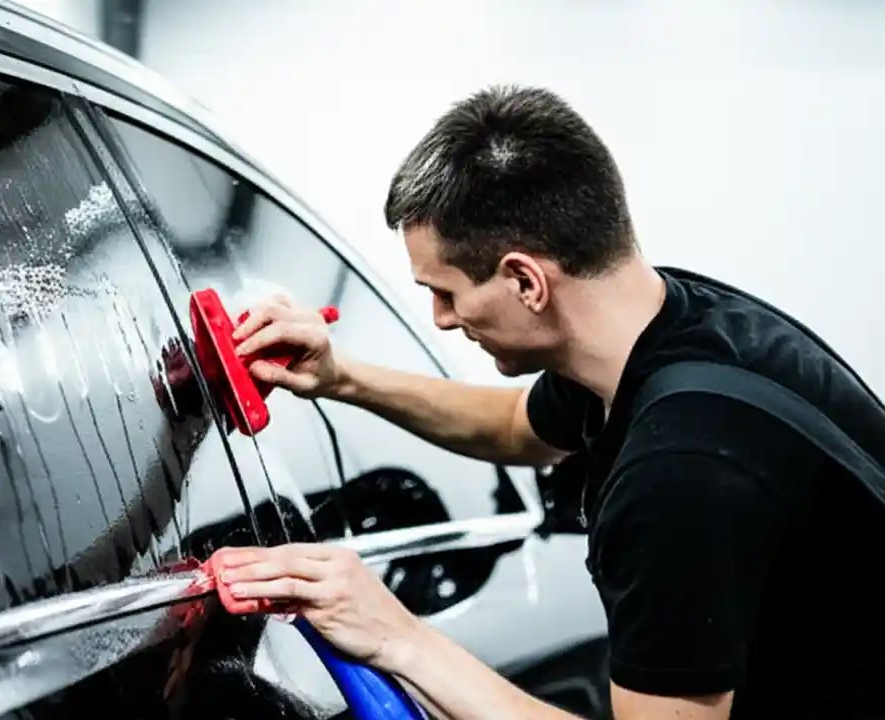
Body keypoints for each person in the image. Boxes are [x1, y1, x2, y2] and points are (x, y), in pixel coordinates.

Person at [214, 84, 885, 719]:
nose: (443, 319)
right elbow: (516, 426)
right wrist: (340, 378)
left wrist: (395, 637)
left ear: (526, 281)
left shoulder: (678, 476)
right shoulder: (668, 326)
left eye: (446, 293)